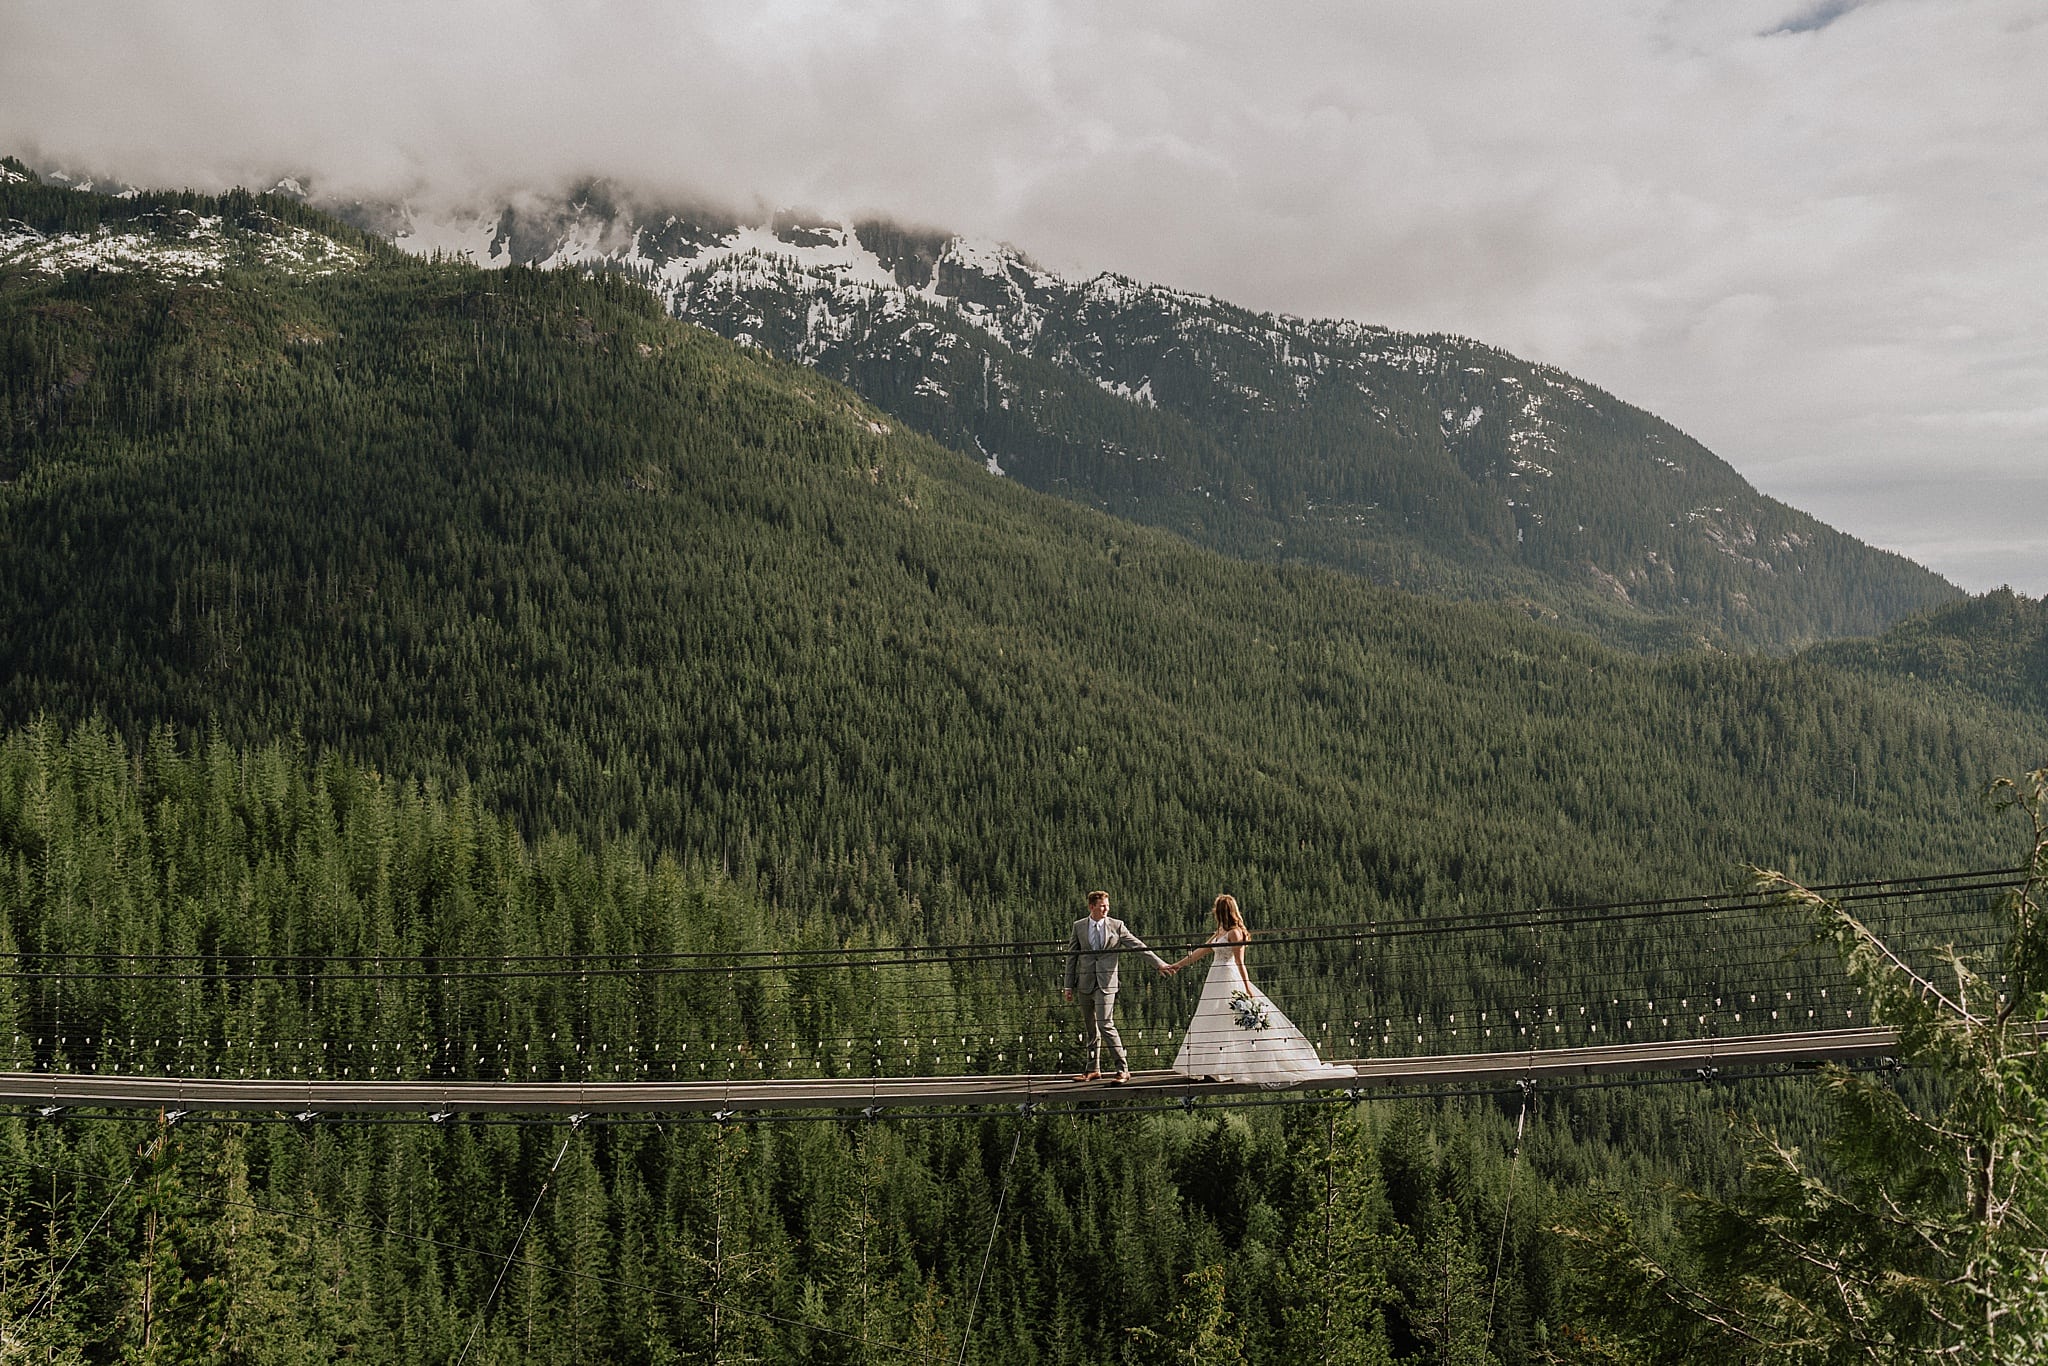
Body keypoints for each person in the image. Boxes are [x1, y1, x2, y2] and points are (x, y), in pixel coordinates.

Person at [1165, 894, 1356, 1087]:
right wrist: (1178, 965)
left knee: (1228, 1019)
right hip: (1215, 978)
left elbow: (1240, 962)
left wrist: (1247, 989)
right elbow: (1202, 950)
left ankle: (1227, 1066)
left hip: (1228, 977)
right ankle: (1210, 1068)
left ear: (1223, 911)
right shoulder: (1220, 931)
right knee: (1212, 1018)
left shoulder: (1235, 933)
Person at [1063, 889, 1171, 1083]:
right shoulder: (1079, 926)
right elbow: (1072, 957)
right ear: (1091, 907)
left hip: (1107, 983)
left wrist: (1158, 963)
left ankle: (1122, 1069)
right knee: (1090, 1029)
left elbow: (1137, 945)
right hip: (1085, 983)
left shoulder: (1117, 925)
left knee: (1105, 1024)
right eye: (1102, 906)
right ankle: (1092, 1069)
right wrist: (1068, 985)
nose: (1106, 909)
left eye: (1107, 906)